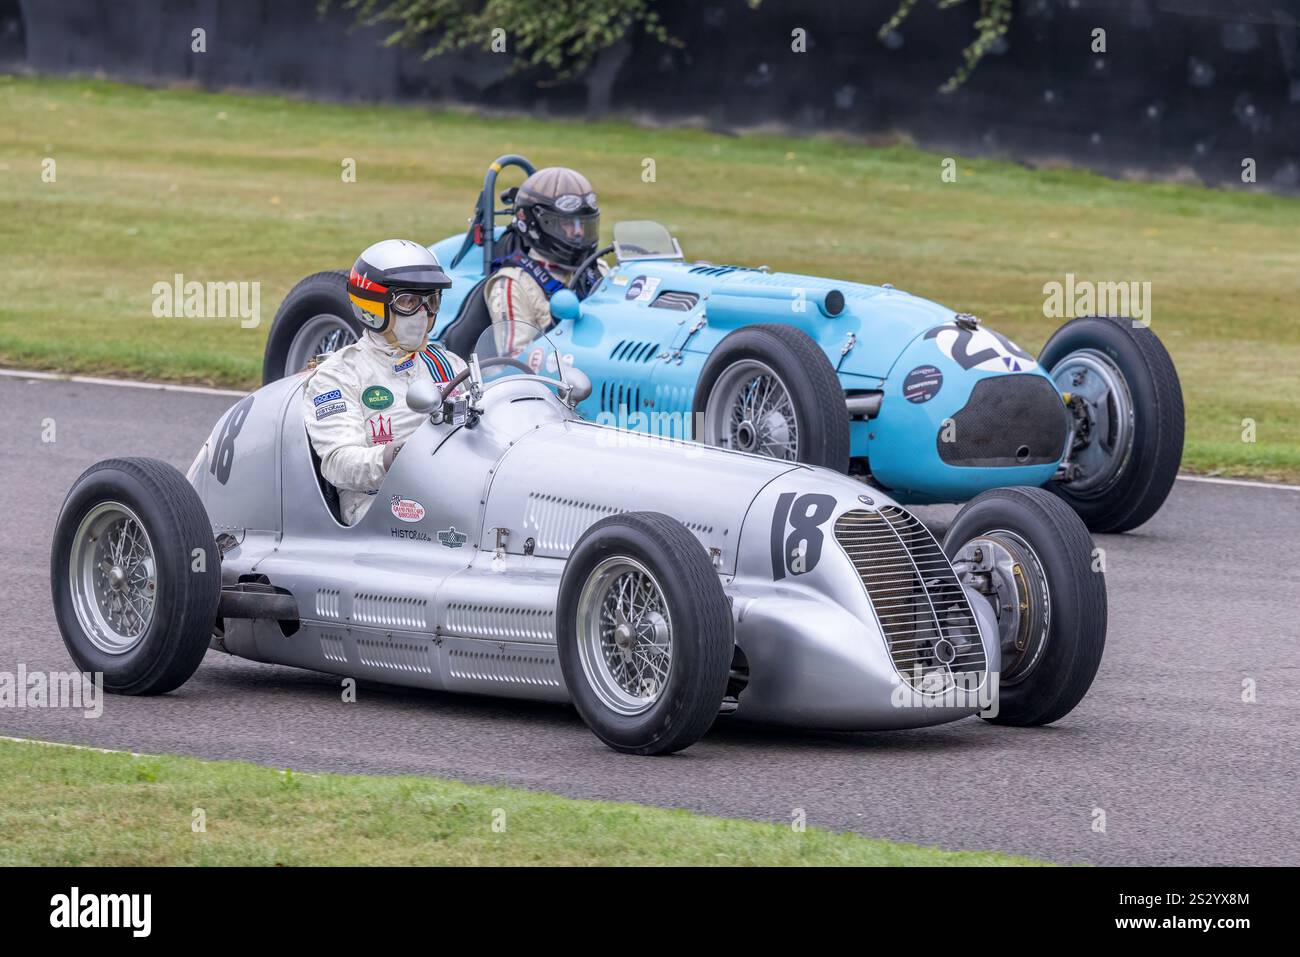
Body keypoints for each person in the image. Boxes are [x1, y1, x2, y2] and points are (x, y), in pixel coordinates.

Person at [303, 239, 465, 525]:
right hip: (377, 510)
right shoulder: (338, 374)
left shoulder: (449, 365)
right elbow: (337, 463)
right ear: (373, 306)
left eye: (431, 300)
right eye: (408, 301)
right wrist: (395, 457)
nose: (423, 313)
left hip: (454, 494)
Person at [484, 166, 606, 351]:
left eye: (584, 223)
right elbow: (513, 365)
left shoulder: (599, 270)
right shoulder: (512, 284)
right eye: (567, 223)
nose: (579, 232)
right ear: (534, 225)